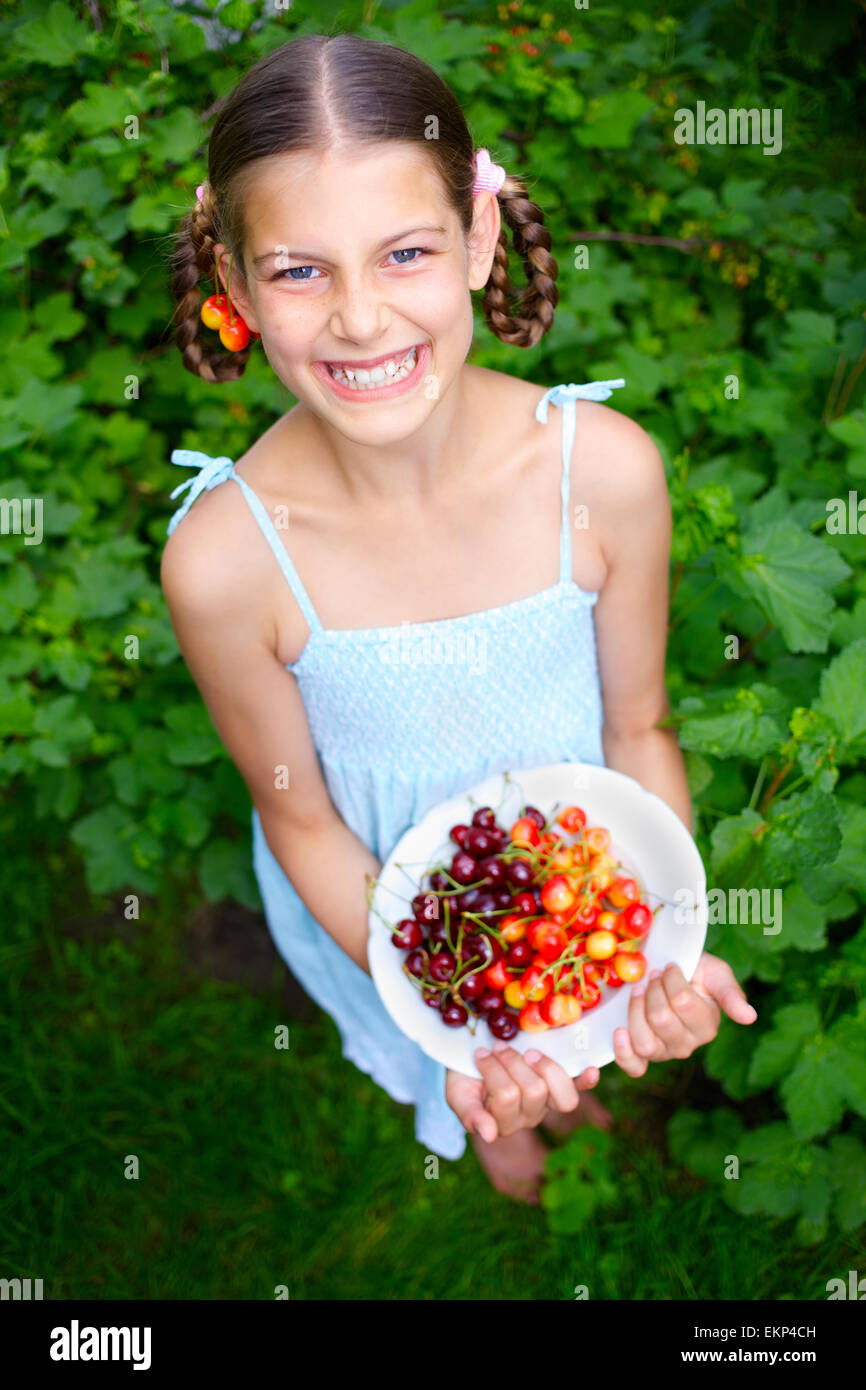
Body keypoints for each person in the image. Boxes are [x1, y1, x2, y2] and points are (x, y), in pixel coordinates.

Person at [161, 33, 756, 1204]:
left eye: (406, 253)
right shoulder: (225, 562)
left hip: (580, 870)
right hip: (387, 904)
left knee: (580, 1013)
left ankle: (572, 1066)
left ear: (479, 241)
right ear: (231, 285)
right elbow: (305, 828)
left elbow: (638, 731)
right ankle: (492, 1120)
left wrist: (659, 948)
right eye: (298, 271)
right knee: (489, 1075)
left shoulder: (608, 472)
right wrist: (458, 1020)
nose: (361, 318)